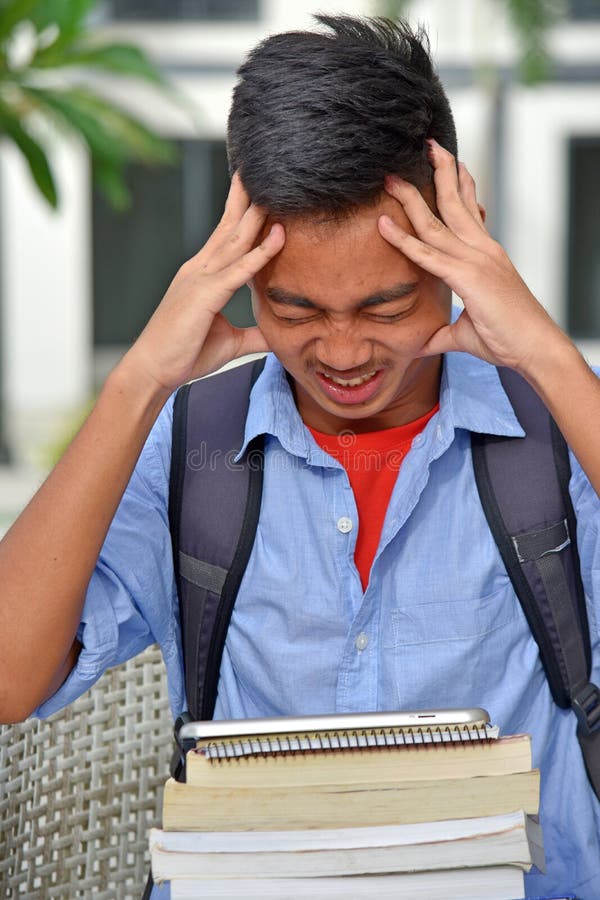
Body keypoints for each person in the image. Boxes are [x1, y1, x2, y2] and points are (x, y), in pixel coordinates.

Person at [1, 13, 599, 899]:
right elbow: (9, 678)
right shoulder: (194, 441)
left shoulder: (556, 428)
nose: (344, 352)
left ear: (458, 254)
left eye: (387, 308)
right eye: (296, 311)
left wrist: (546, 352)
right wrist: (139, 382)